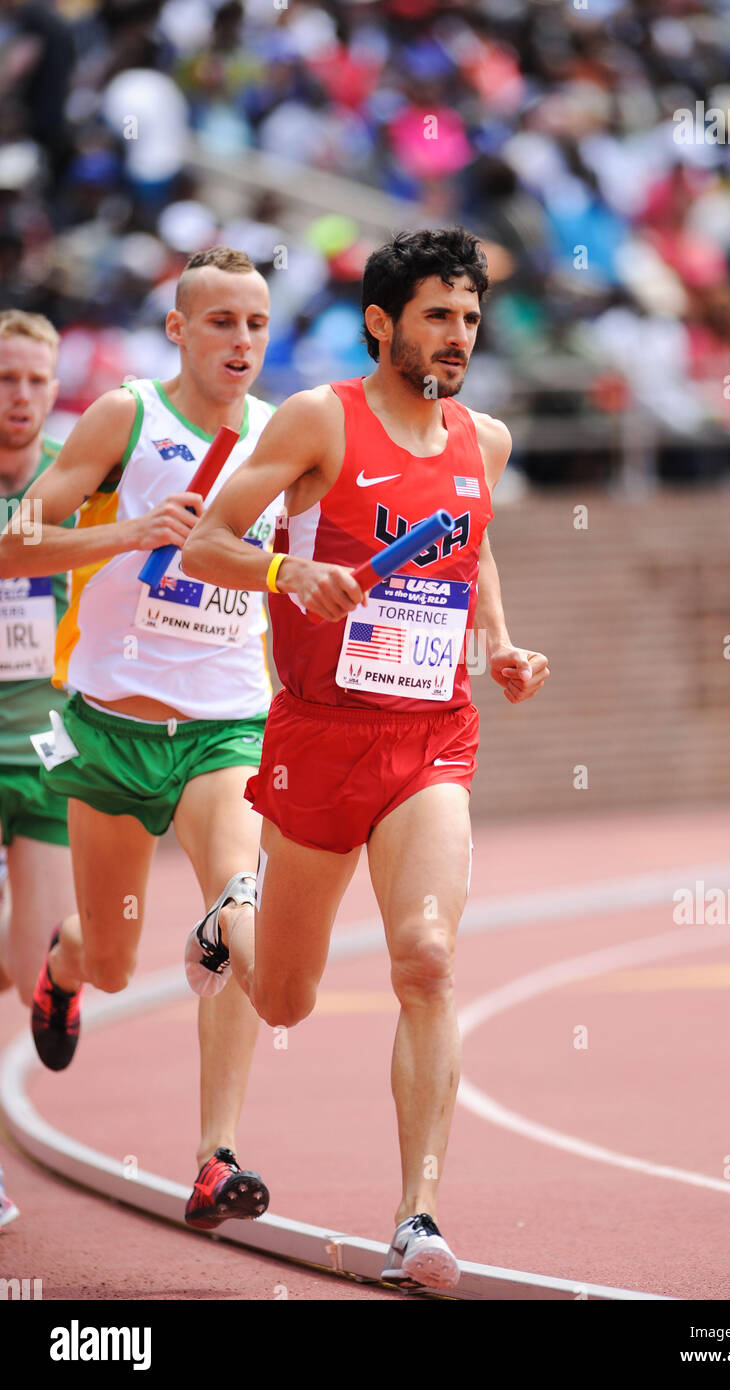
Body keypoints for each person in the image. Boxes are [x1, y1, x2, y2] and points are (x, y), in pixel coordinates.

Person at [181, 227, 550, 1288]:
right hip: (317, 737)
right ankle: (228, 921)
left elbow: (467, 545)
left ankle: (417, 1217)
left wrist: (496, 648)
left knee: (426, 957)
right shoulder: (318, 420)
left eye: (471, 318)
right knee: (285, 998)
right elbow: (206, 541)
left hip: (430, 738)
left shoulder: (485, 439)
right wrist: (284, 579)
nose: (458, 336)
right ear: (382, 321)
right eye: (438, 314)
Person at [0, 246, 282, 1230]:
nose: (240, 340)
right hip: (110, 731)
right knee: (114, 959)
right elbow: (13, 544)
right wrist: (127, 534)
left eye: (255, 322)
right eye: (219, 322)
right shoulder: (127, 417)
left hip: (225, 727)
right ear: (178, 329)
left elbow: (297, 569)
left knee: (235, 913)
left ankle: (216, 1157)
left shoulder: (285, 436)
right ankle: (64, 969)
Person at [0, 309, 76, 1229]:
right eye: (3, 380)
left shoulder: (75, 476)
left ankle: (57, 987)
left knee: (36, 966)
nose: (19, 398)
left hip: (51, 748)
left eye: (34, 382)